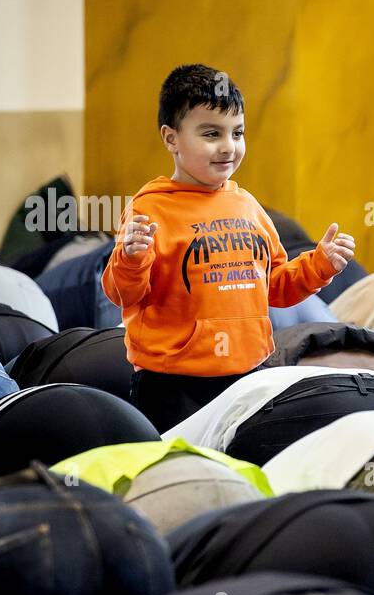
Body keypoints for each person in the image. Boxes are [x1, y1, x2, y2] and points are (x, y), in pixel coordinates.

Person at [102, 64, 355, 431]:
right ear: (171, 139)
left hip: (249, 374)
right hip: (174, 384)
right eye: (211, 134)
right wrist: (130, 258)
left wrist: (319, 265)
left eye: (237, 133)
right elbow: (122, 294)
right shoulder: (149, 209)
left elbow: (275, 287)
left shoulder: (247, 206)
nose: (228, 147)